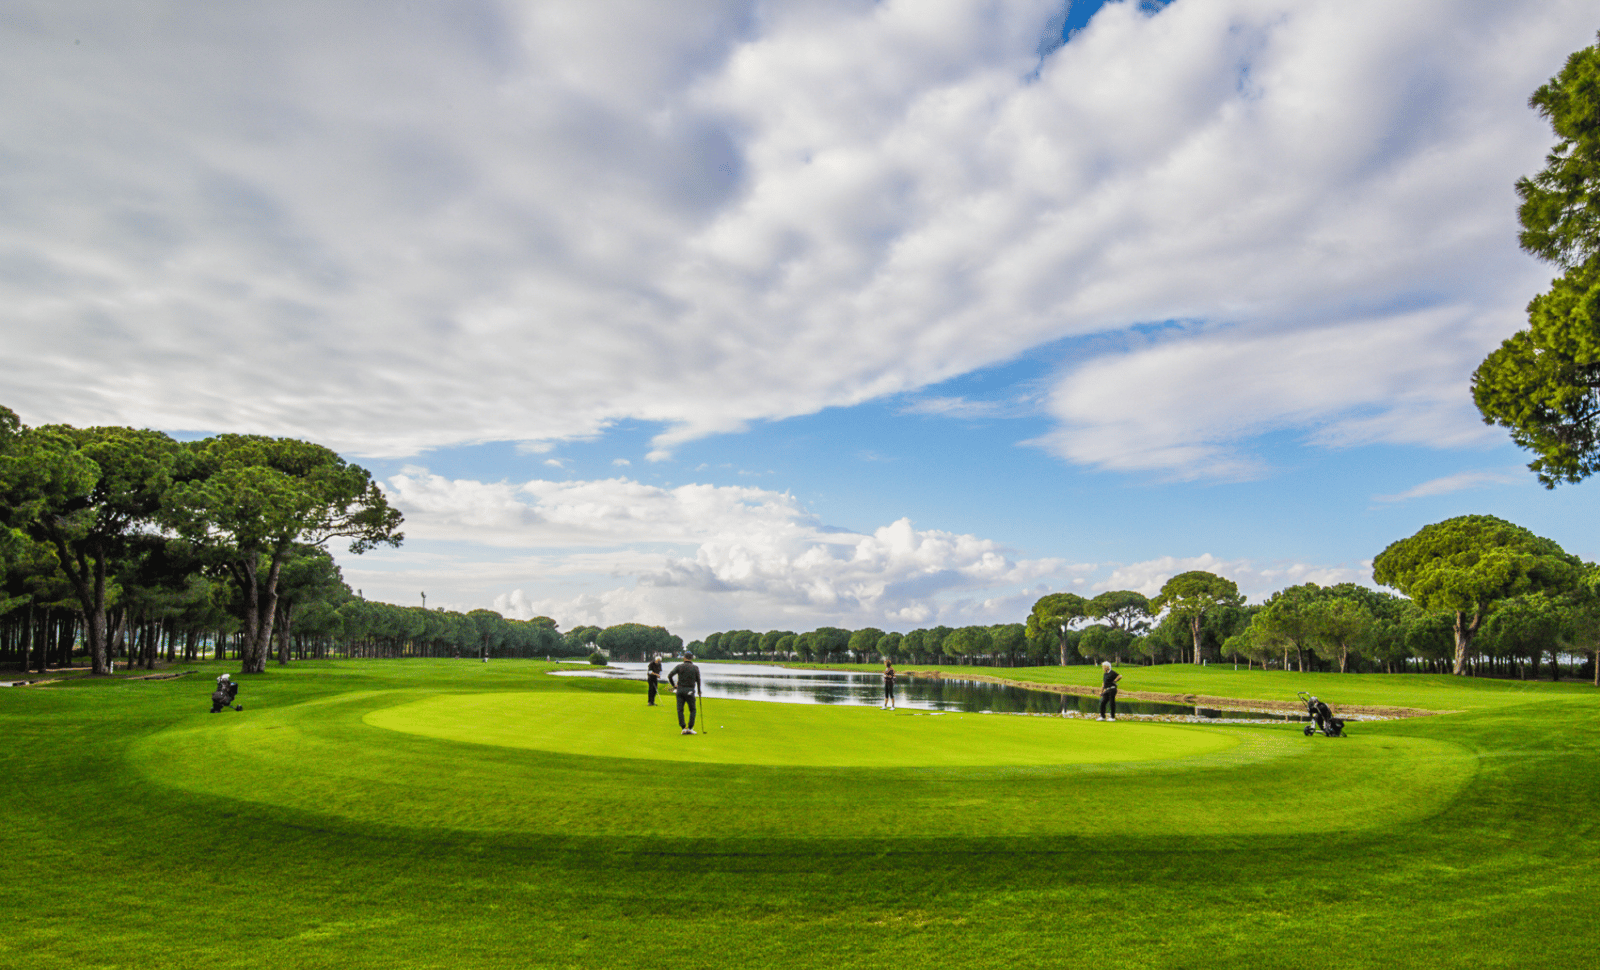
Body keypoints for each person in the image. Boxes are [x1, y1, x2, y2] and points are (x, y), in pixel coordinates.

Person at [668, 651, 700, 735]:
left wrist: (674, 685)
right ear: (691, 658)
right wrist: (699, 691)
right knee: (692, 710)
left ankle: (683, 728)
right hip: (690, 690)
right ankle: (690, 728)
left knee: (680, 710)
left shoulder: (679, 666)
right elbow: (698, 680)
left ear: (684, 658)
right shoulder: (695, 668)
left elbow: (670, 675)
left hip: (680, 690)